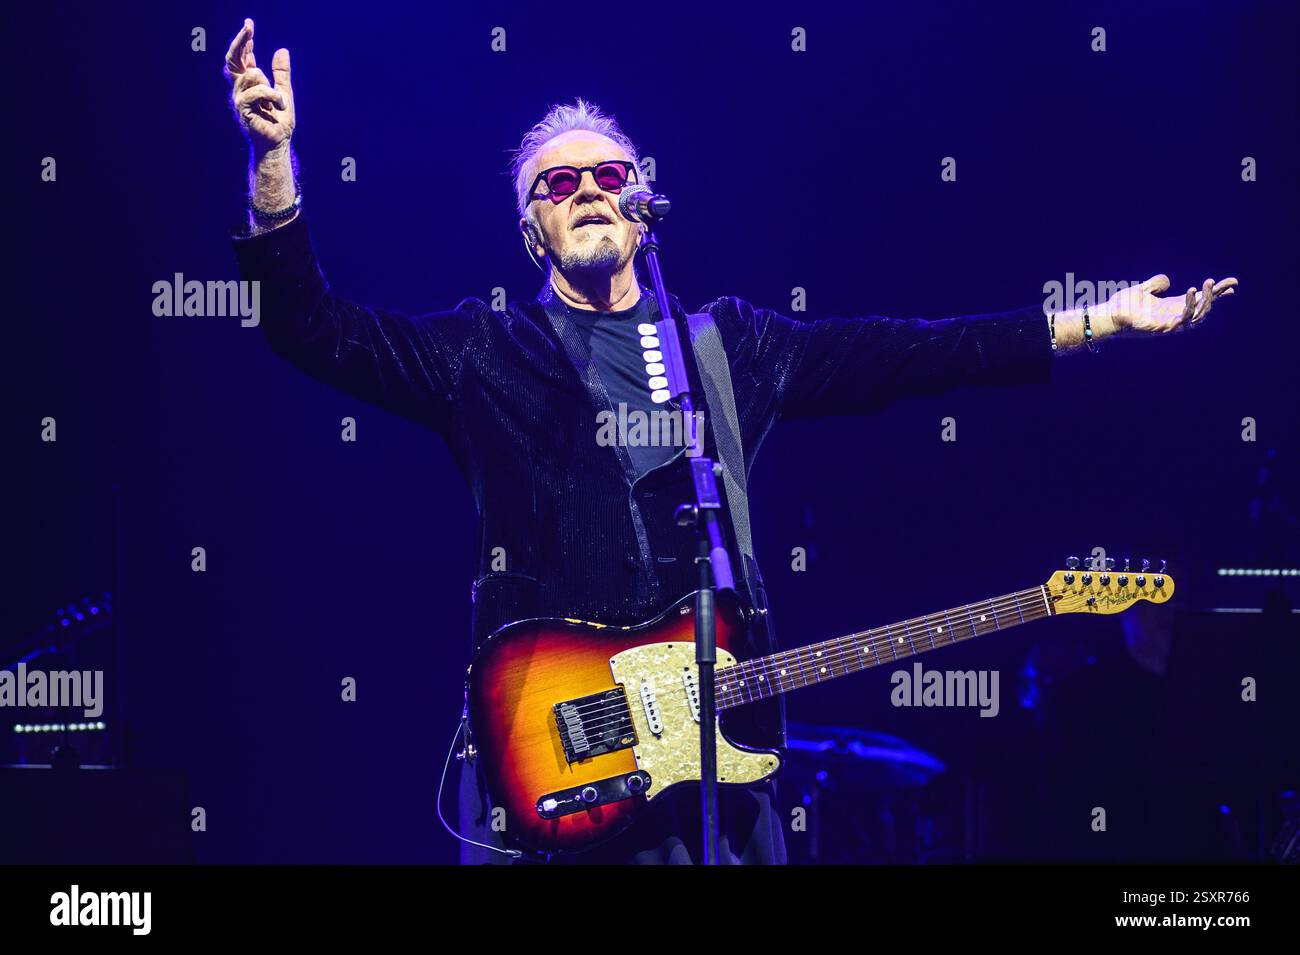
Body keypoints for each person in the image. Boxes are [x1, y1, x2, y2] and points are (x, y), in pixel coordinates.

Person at [222, 18, 1238, 864]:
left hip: (712, 770)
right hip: (554, 759)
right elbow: (313, 328)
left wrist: (1096, 321)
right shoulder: (482, 351)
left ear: (641, 197)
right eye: (555, 182)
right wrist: (275, 164)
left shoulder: (729, 346)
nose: (584, 188)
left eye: (606, 172)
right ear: (528, 229)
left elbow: (914, 354)